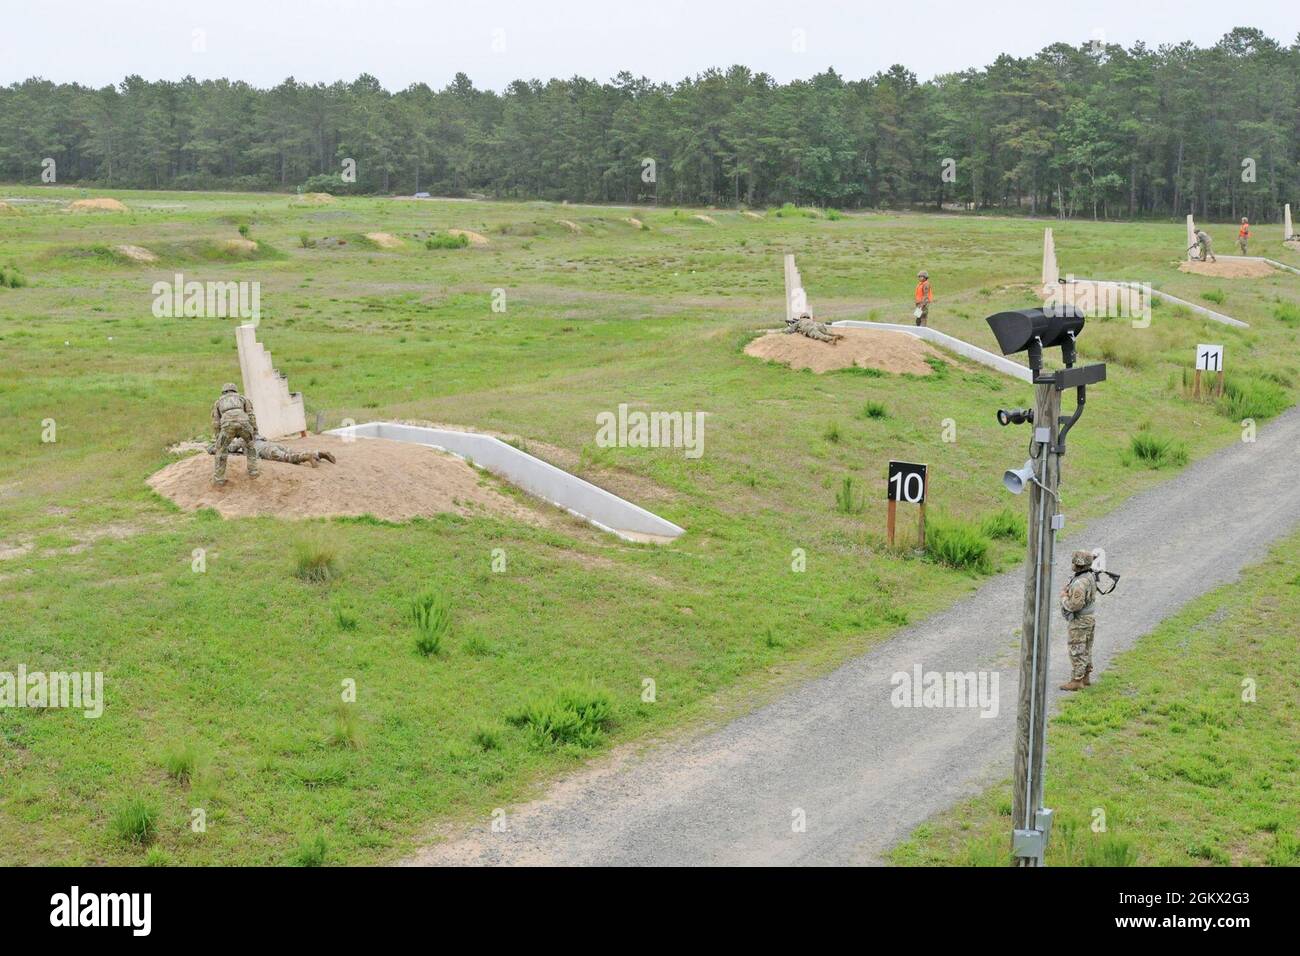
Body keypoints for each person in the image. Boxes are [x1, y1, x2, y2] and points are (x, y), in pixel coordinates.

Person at [1059, 550, 1099, 691]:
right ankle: (1085, 677)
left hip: (1080, 620)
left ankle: (1077, 681)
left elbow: (1075, 605)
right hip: (1089, 618)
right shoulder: (1089, 576)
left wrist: (1064, 597)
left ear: (1078, 564)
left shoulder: (1079, 583)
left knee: (1076, 649)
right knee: (1086, 647)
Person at [210, 383, 260, 485]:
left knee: (221, 450)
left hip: (227, 426)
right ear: (235, 390)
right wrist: (255, 430)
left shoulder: (218, 402)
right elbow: (251, 415)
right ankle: (253, 471)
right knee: (250, 446)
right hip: (244, 425)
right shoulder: (243, 399)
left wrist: (217, 437)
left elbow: (216, 422)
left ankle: (219, 479)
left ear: (223, 391)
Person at [206, 436, 337, 467]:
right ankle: (318, 453)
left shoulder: (241, 440)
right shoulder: (257, 434)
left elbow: (227, 449)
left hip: (266, 450)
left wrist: (211, 448)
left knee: (287, 458)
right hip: (271, 444)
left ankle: (306, 457)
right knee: (291, 451)